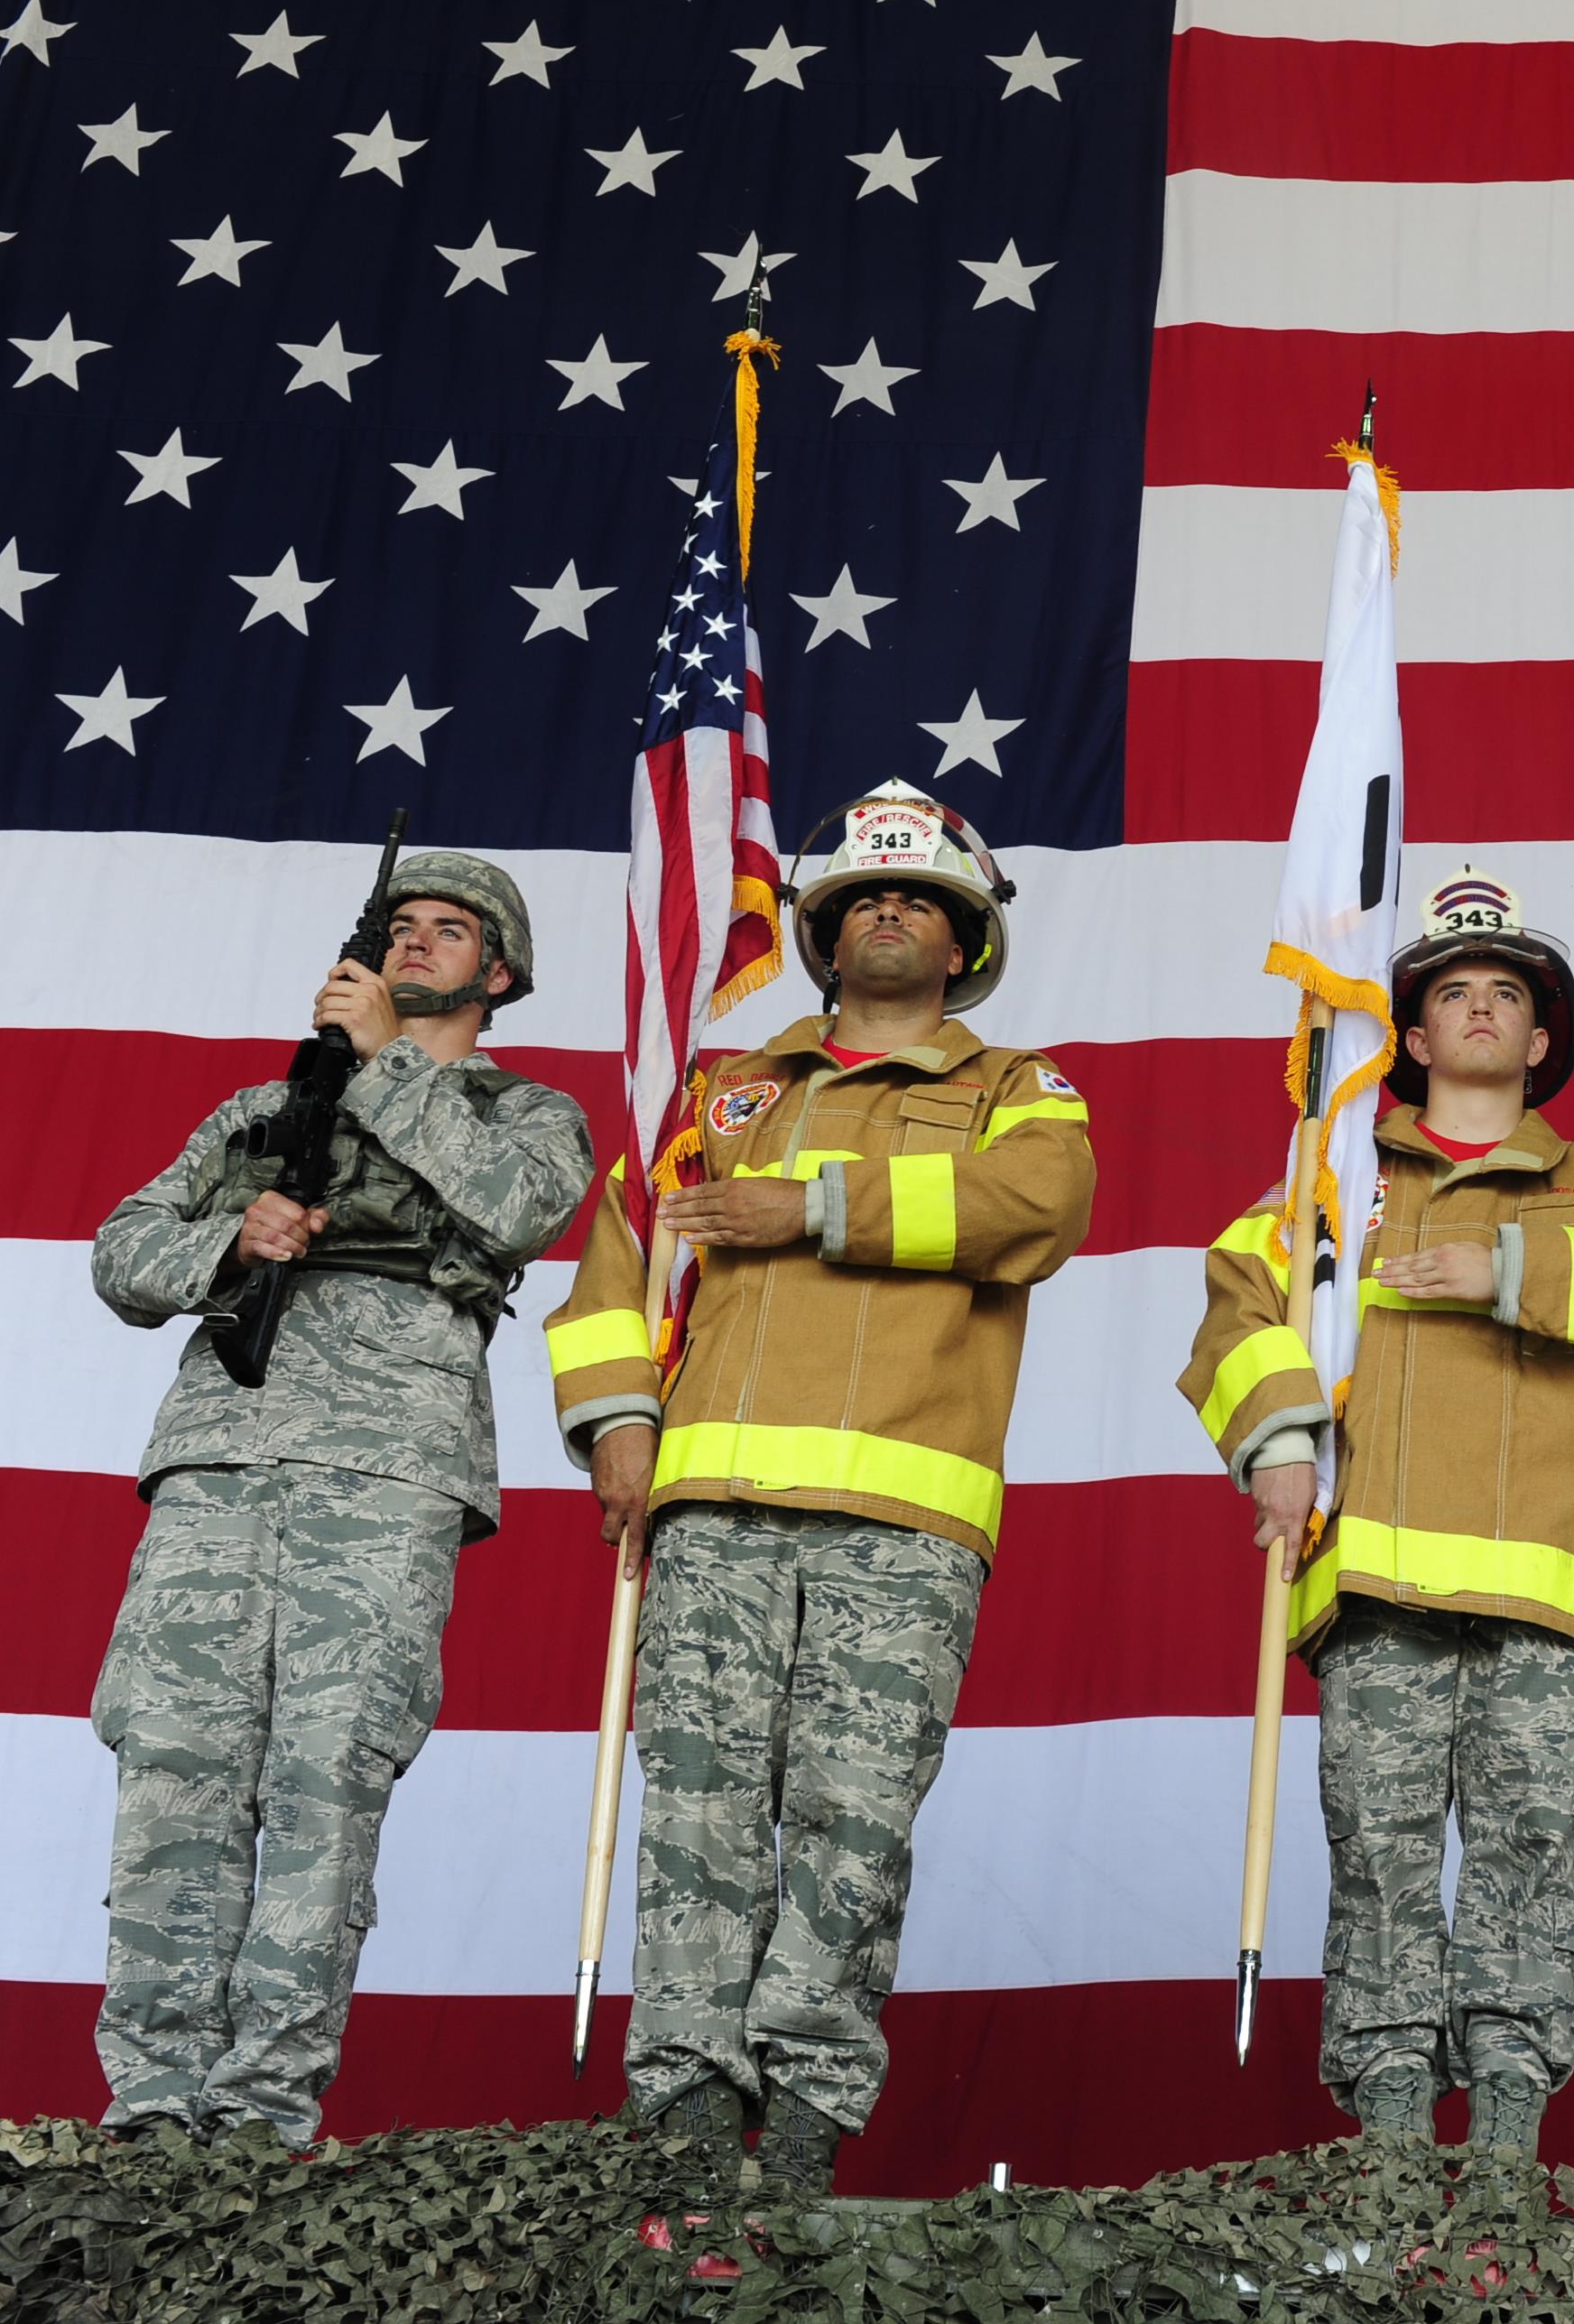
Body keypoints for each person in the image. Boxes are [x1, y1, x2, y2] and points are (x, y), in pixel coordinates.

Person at [545, 779, 1095, 2196]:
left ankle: (799, 2133)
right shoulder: (715, 1093)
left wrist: (819, 1205)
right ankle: (680, 2122)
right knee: (699, 1811)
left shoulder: (1017, 1090)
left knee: (854, 1823)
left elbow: (1038, 1208)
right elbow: (620, 1262)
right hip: (712, 1498)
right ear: (821, 932)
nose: (889, 912)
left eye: (918, 897)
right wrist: (616, 1421)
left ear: (966, 939)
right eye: (862, 897)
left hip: (903, 1525)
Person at [1179, 874, 1574, 2159]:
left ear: (1540, 1041)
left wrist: (1507, 1268)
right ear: (1411, 1037)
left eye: (1508, 994)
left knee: (1529, 1858)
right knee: (1379, 1855)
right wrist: (1277, 1445)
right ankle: (1388, 2145)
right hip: (1377, 1580)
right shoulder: (1335, 1175)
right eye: (1453, 993)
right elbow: (1241, 1305)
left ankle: (1505, 2149)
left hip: (1550, 1585)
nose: (1481, 1008)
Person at [87, 851, 592, 2144]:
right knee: (175, 1765)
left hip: (388, 1463)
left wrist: (384, 1065)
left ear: (500, 975)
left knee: (325, 1776)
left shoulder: (529, 1113)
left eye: (448, 930)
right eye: (396, 926)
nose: (414, 943)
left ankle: (262, 2112)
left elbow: (520, 1211)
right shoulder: (263, 1107)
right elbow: (124, 1250)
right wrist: (229, 1240)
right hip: (223, 1449)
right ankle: (153, 2104)